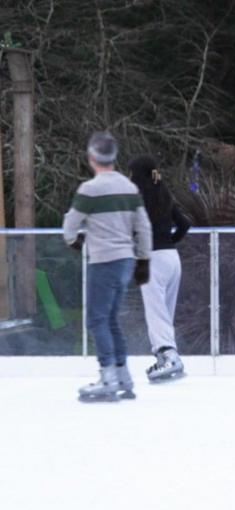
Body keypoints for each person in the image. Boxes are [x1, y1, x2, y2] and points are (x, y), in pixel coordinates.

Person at [62, 131, 153, 403]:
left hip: (103, 260)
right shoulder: (129, 187)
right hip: (126, 260)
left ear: (92, 158)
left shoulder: (89, 190)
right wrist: (144, 260)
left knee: (97, 320)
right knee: (111, 319)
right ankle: (123, 375)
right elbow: (143, 226)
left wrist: (73, 240)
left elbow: (70, 225)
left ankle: (108, 377)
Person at [128, 155, 192, 382]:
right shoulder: (165, 196)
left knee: (155, 311)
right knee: (165, 311)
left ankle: (168, 355)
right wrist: (168, 242)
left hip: (153, 260)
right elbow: (184, 225)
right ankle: (165, 357)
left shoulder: (138, 199)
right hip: (172, 259)